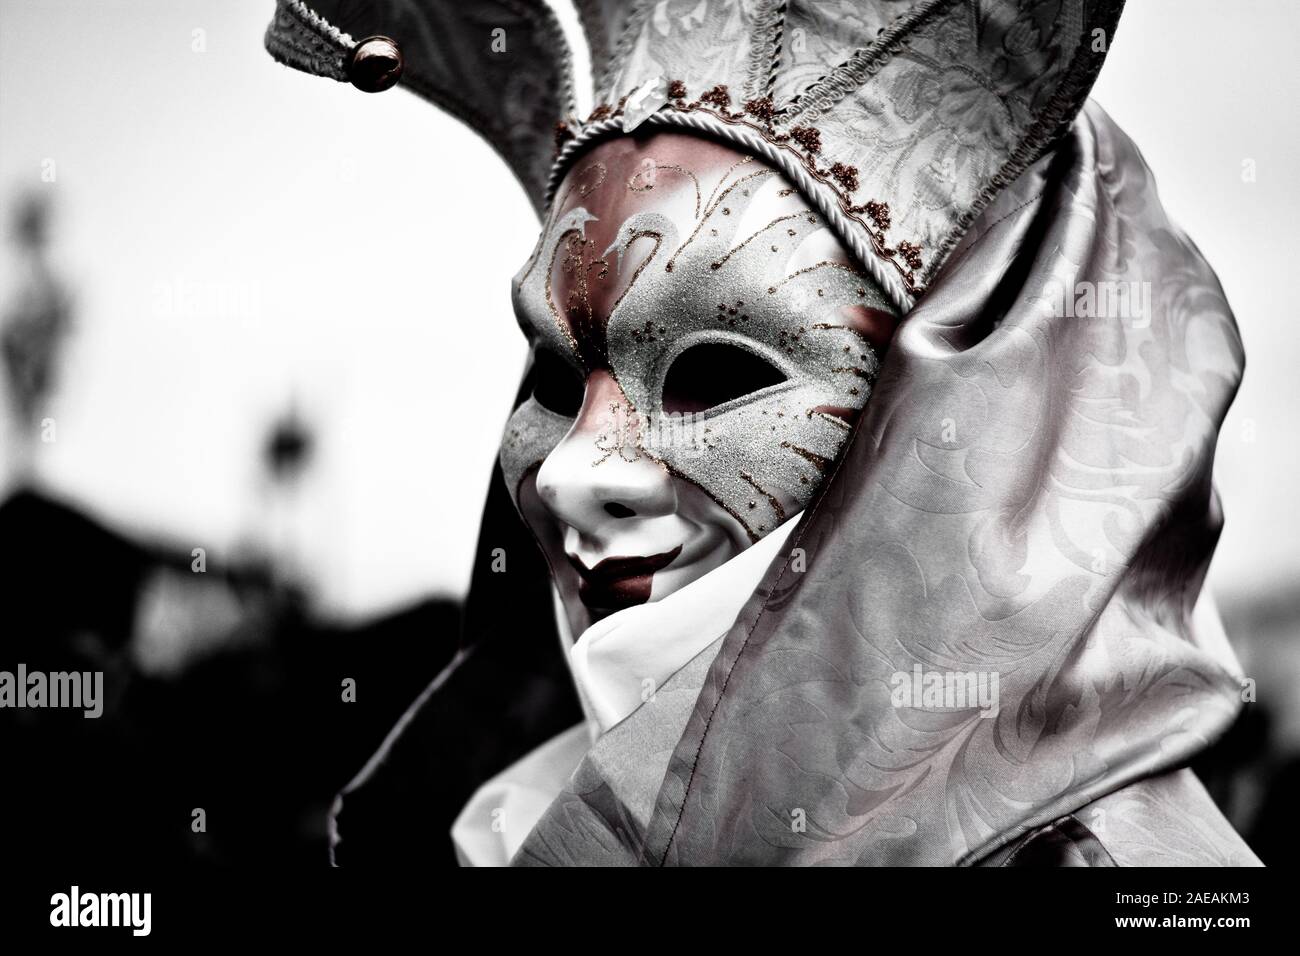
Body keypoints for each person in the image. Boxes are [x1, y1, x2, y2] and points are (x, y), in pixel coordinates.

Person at [267, 0, 1261, 866]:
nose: (571, 472)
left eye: (720, 372)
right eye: (560, 377)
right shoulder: (484, 816)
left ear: (974, 417)